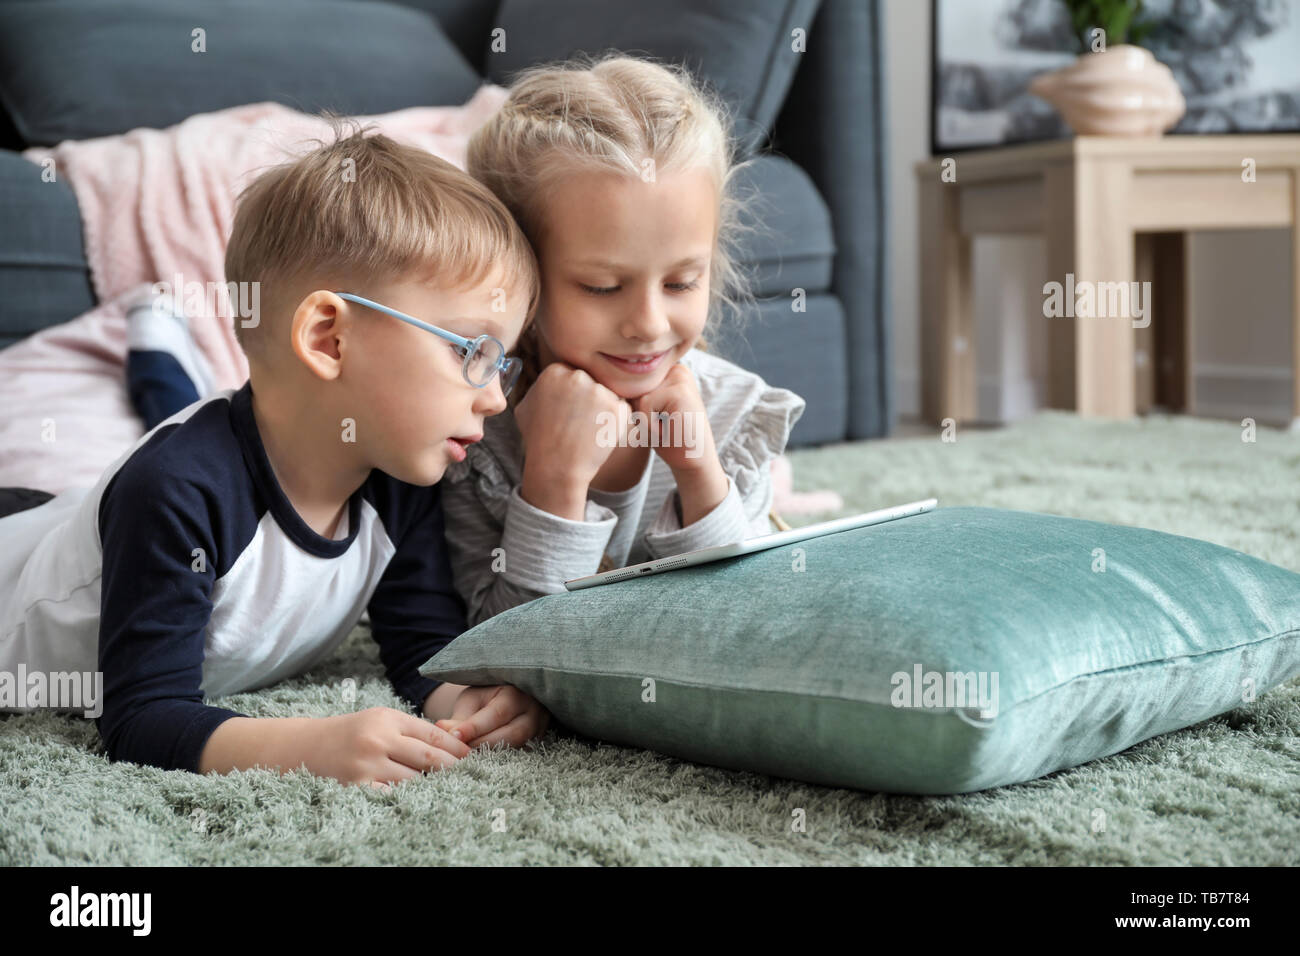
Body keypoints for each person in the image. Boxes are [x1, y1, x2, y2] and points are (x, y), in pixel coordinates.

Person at [0, 122, 546, 787]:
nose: (495, 399)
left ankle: (159, 354)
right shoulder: (177, 490)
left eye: (503, 364)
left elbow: (420, 644)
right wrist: (312, 745)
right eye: (471, 353)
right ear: (328, 339)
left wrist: (467, 704)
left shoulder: (400, 475)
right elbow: (140, 718)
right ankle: (155, 349)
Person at [438, 55, 807, 640]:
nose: (648, 324)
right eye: (602, 287)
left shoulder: (736, 415)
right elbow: (505, 642)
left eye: (682, 282)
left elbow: (756, 625)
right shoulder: (478, 433)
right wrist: (554, 485)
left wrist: (700, 474)